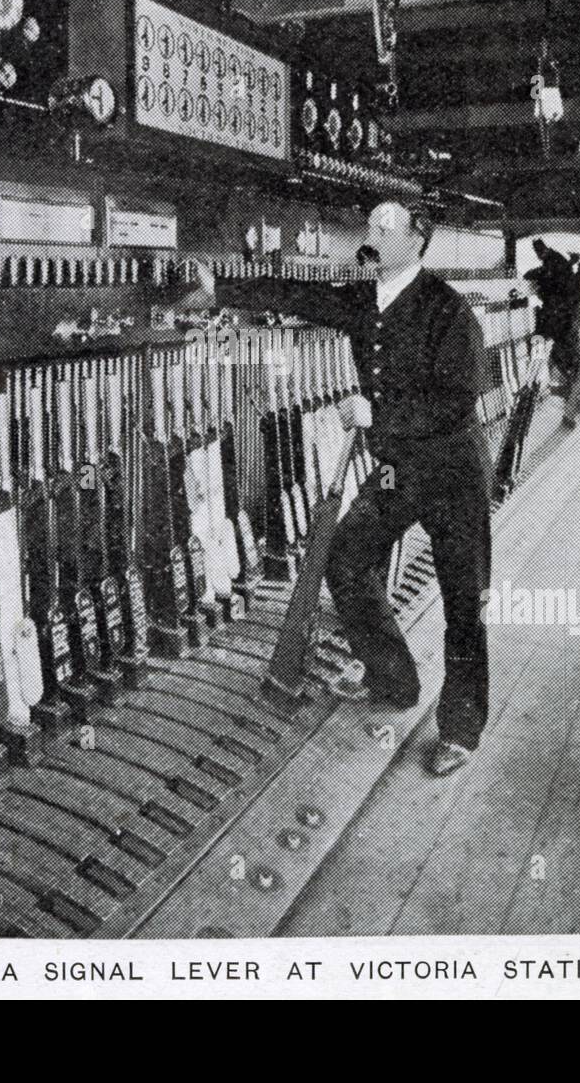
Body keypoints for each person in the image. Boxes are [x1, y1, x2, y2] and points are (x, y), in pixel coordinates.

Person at [204, 200, 493, 777]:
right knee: (346, 555)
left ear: (418, 238)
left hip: (452, 473)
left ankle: (461, 727)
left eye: (387, 229)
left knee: (464, 601)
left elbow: (458, 399)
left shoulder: (448, 309)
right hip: (396, 471)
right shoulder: (365, 298)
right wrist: (222, 286)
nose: (374, 237)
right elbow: (302, 297)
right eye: (370, 228)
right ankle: (394, 680)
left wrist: (375, 412)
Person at [524, 238, 580, 427]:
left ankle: (535, 391)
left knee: (547, 358)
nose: (539, 256)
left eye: (539, 253)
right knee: (574, 367)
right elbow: (575, 293)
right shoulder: (561, 266)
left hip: (556, 324)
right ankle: (569, 413)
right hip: (567, 324)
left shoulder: (553, 265)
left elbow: (531, 275)